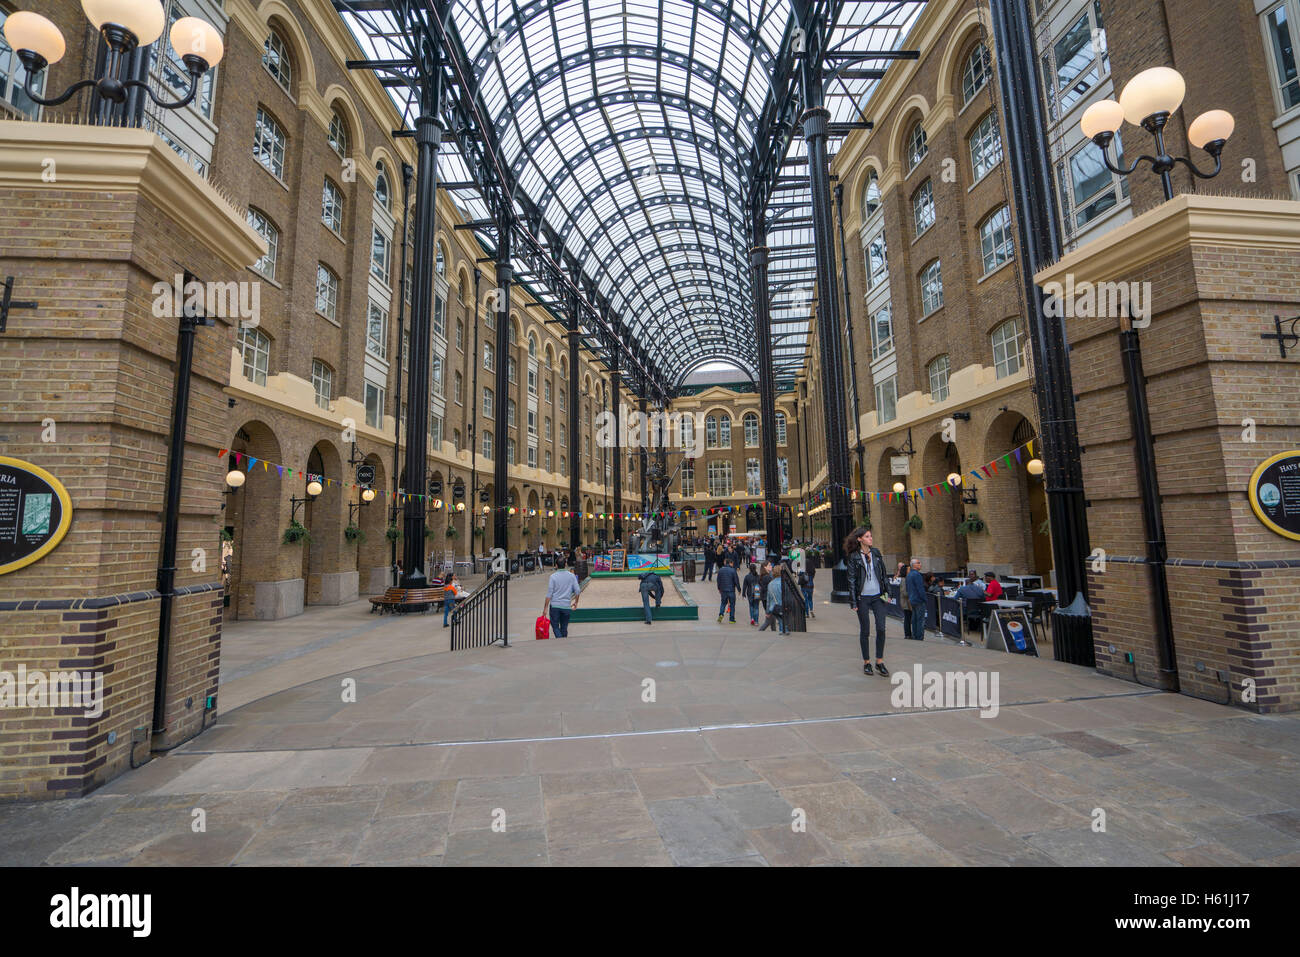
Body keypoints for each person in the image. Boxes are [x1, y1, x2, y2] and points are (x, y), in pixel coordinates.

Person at [845, 526, 889, 676]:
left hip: (878, 596)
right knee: (865, 630)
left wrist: (887, 593)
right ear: (859, 539)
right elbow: (851, 579)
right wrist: (853, 601)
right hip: (862, 597)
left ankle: (880, 661)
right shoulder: (854, 557)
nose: (871, 539)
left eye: (871, 536)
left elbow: (883, 574)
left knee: (881, 628)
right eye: (867, 537)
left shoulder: (876, 553)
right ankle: (867, 662)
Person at [542, 555, 581, 638]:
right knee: (564, 628)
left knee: (555, 627)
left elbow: (549, 594)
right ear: (566, 564)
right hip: (566, 606)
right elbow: (577, 590)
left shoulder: (553, 577)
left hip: (555, 606)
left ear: (556, 565)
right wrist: (576, 602)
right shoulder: (572, 576)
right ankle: (563, 643)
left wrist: (545, 608)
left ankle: (560, 641)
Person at [905, 558, 927, 641]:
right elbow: (920, 588)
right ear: (914, 565)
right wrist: (924, 598)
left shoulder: (909, 575)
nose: (920, 564)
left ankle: (915, 635)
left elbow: (908, 588)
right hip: (918, 599)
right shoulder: (917, 575)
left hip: (912, 599)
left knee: (914, 618)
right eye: (918, 563)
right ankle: (919, 637)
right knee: (920, 619)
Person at [759, 565, 784, 634]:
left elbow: (768, 600)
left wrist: (768, 611)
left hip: (774, 607)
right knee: (781, 622)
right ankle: (782, 632)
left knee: (776, 621)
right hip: (783, 606)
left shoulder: (770, 584)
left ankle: (777, 632)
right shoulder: (783, 583)